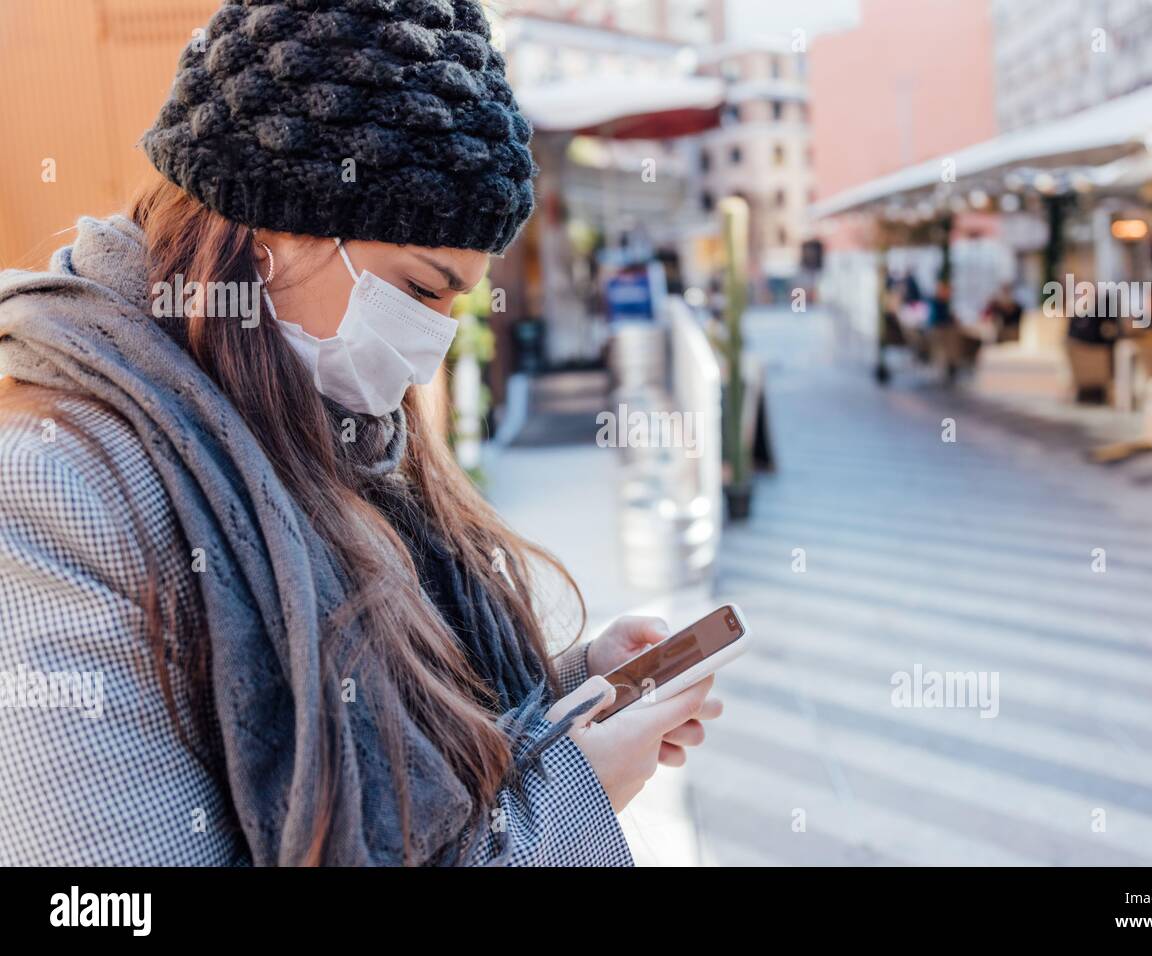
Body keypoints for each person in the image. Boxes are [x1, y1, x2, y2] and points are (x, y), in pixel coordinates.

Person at [0, 0, 721, 866]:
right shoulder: (52, 487)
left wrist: (565, 702)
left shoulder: (318, 422)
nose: (425, 359)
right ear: (272, 230)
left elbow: (378, 748)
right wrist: (568, 803)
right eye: (421, 289)